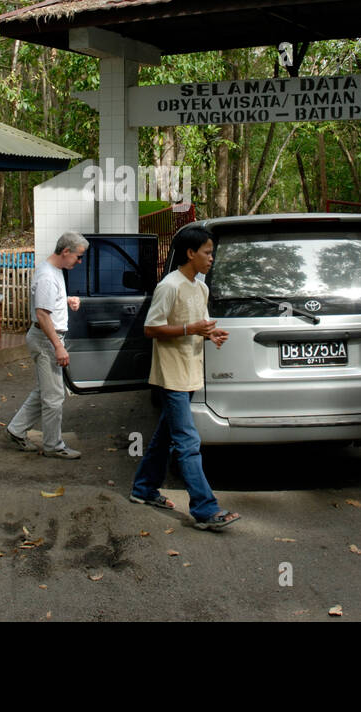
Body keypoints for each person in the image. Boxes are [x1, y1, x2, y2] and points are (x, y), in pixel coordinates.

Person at [130, 226, 242, 531]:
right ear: (190, 253)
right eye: (207, 252)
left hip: (192, 373)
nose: (211, 258)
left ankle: (143, 489)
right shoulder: (170, 286)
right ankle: (205, 509)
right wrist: (190, 330)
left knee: (166, 436)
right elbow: (151, 330)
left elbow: (199, 324)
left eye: (212, 252)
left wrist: (211, 333)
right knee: (188, 440)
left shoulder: (201, 288)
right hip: (171, 375)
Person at [5, 232, 87, 459]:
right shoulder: (48, 276)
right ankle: (53, 445)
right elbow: (42, 314)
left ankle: (16, 429)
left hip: (46, 338)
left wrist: (65, 300)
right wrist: (58, 347)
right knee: (54, 397)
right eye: (78, 257)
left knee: (45, 390)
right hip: (46, 339)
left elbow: (47, 304)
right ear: (66, 251)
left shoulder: (54, 271)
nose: (80, 262)